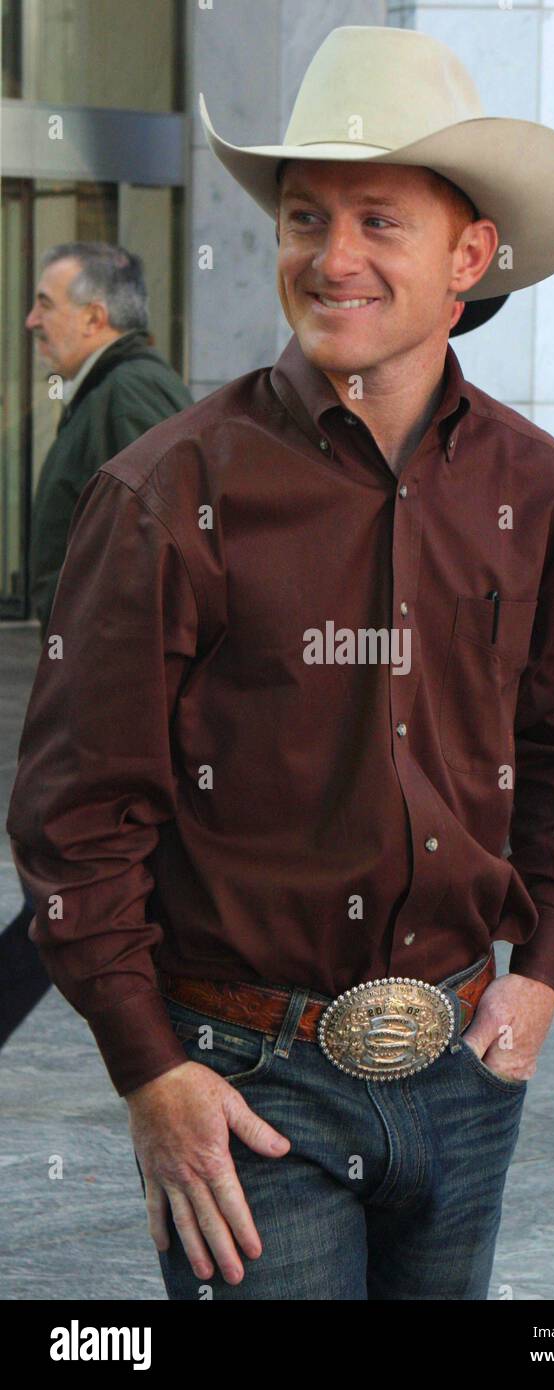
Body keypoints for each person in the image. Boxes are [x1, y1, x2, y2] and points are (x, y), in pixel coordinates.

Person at [6, 26, 554, 1300]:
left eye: (378, 219)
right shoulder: (167, 492)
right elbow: (75, 814)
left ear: (469, 255)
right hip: (247, 1091)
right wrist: (151, 1069)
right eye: (306, 217)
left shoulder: (549, 496)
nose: (331, 256)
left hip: (467, 1071)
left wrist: (541, 978)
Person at [0, 243, 193, 1050]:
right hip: (105, 680)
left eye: (46, 302)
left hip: (121, 690)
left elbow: (175, 538)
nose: (32, 320)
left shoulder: (130, 391)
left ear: (95, 315)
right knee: (78, 872)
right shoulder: (107, 388)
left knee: (76, 867)